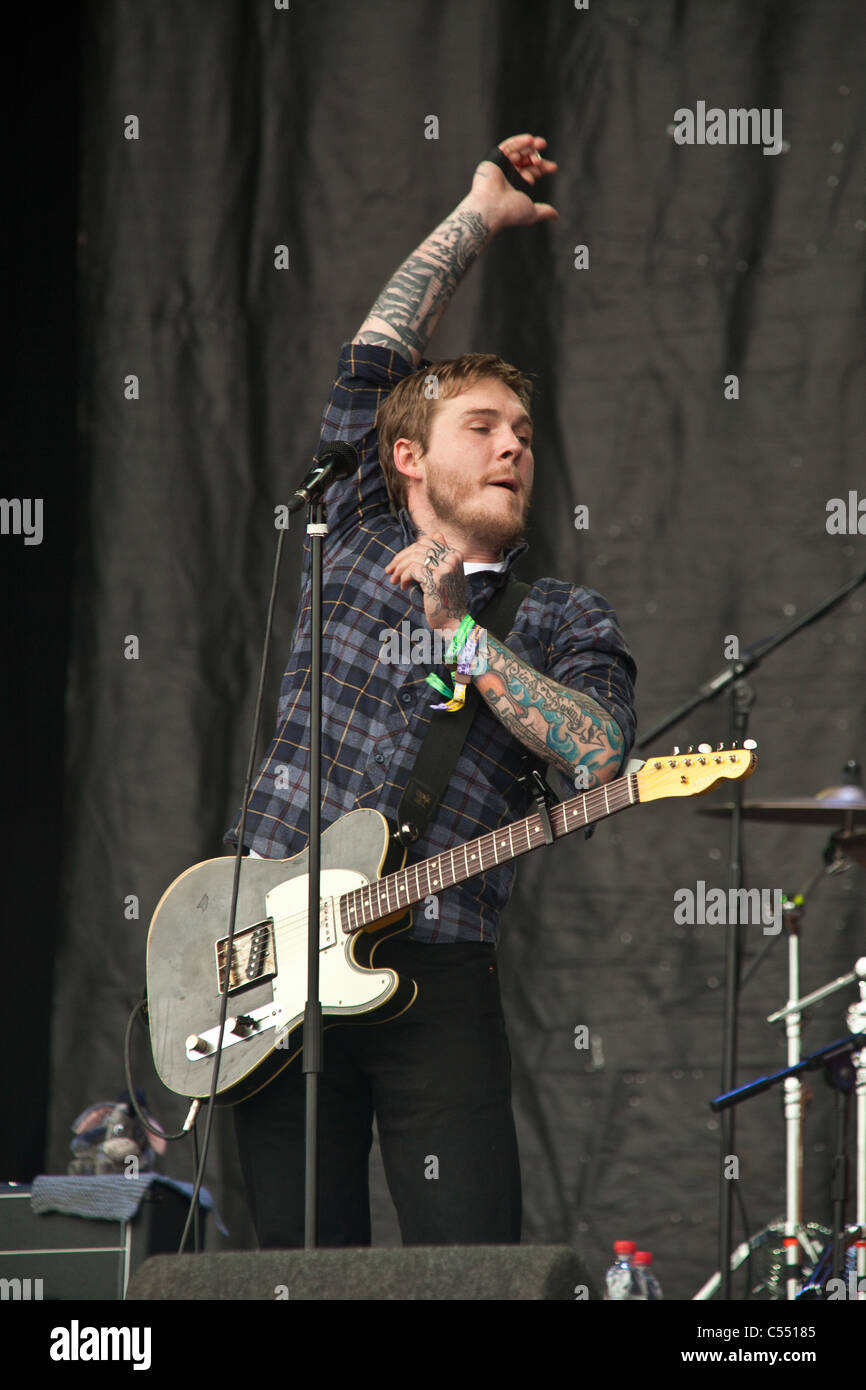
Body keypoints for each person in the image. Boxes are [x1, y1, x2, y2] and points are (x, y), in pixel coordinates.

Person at [228, 133, 637, 1248]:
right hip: (267, 969)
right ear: (407, 459)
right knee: (288, 1268)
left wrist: (459, 631)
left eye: (522, 434)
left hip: (438, 969)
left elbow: (597, 754)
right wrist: (476, 211)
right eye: (481, 426)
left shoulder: (560, 616)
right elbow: (378, 346)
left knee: (467, 1262)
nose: (512, 447)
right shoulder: (354, 531)